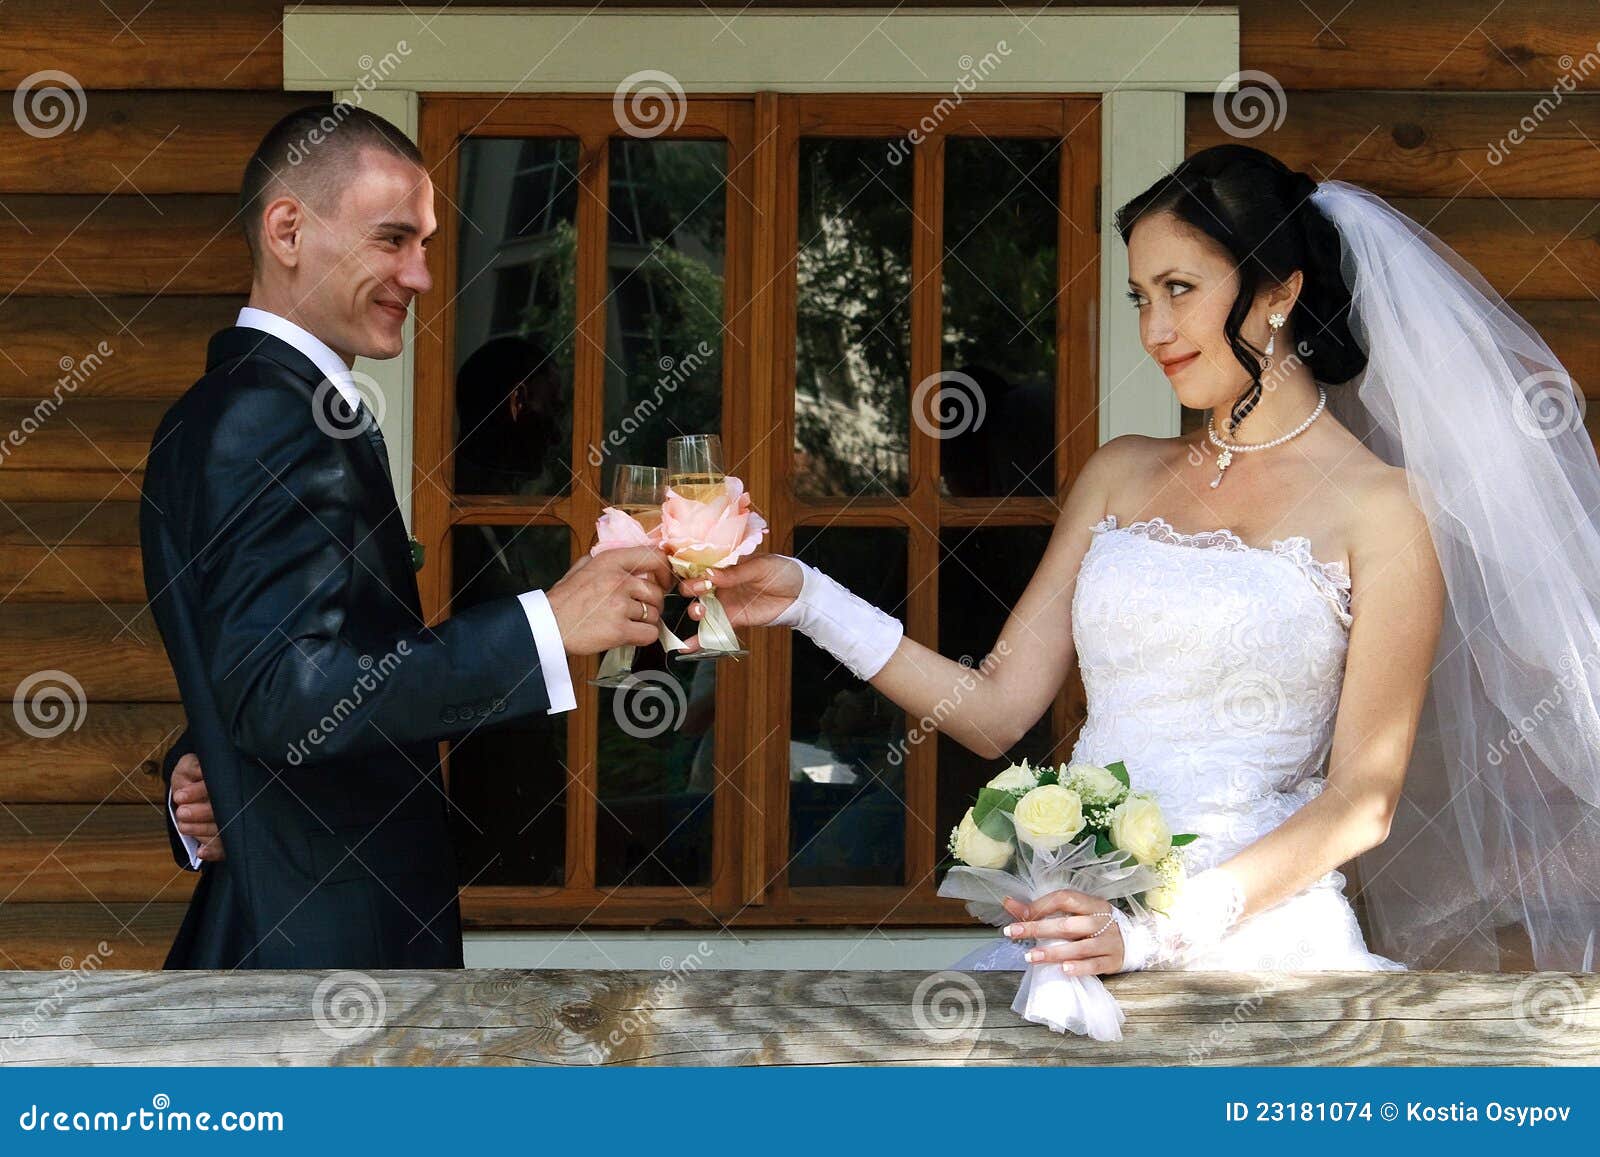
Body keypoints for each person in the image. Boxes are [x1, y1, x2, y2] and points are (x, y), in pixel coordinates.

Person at [677, 143, 1600, 974]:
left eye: (1180, 289)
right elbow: (995, 706)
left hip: (1260, 948)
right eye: (1140, 297)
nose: (1154, 328)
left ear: (1279, 291)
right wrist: (809, 597)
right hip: (1082, 927)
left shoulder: (1385, 509)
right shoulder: (1120, 472)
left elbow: (1363, 801)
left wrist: (1160, 930)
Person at [141, 103, 670, 969]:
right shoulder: (266, 418)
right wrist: (547, 623)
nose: (421, 276)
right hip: (320, 973)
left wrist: (210, 770)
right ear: (287, 230)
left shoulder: (240, 408)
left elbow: (254, 666)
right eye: (394, 240)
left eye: (423, 245)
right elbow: (287, 690)